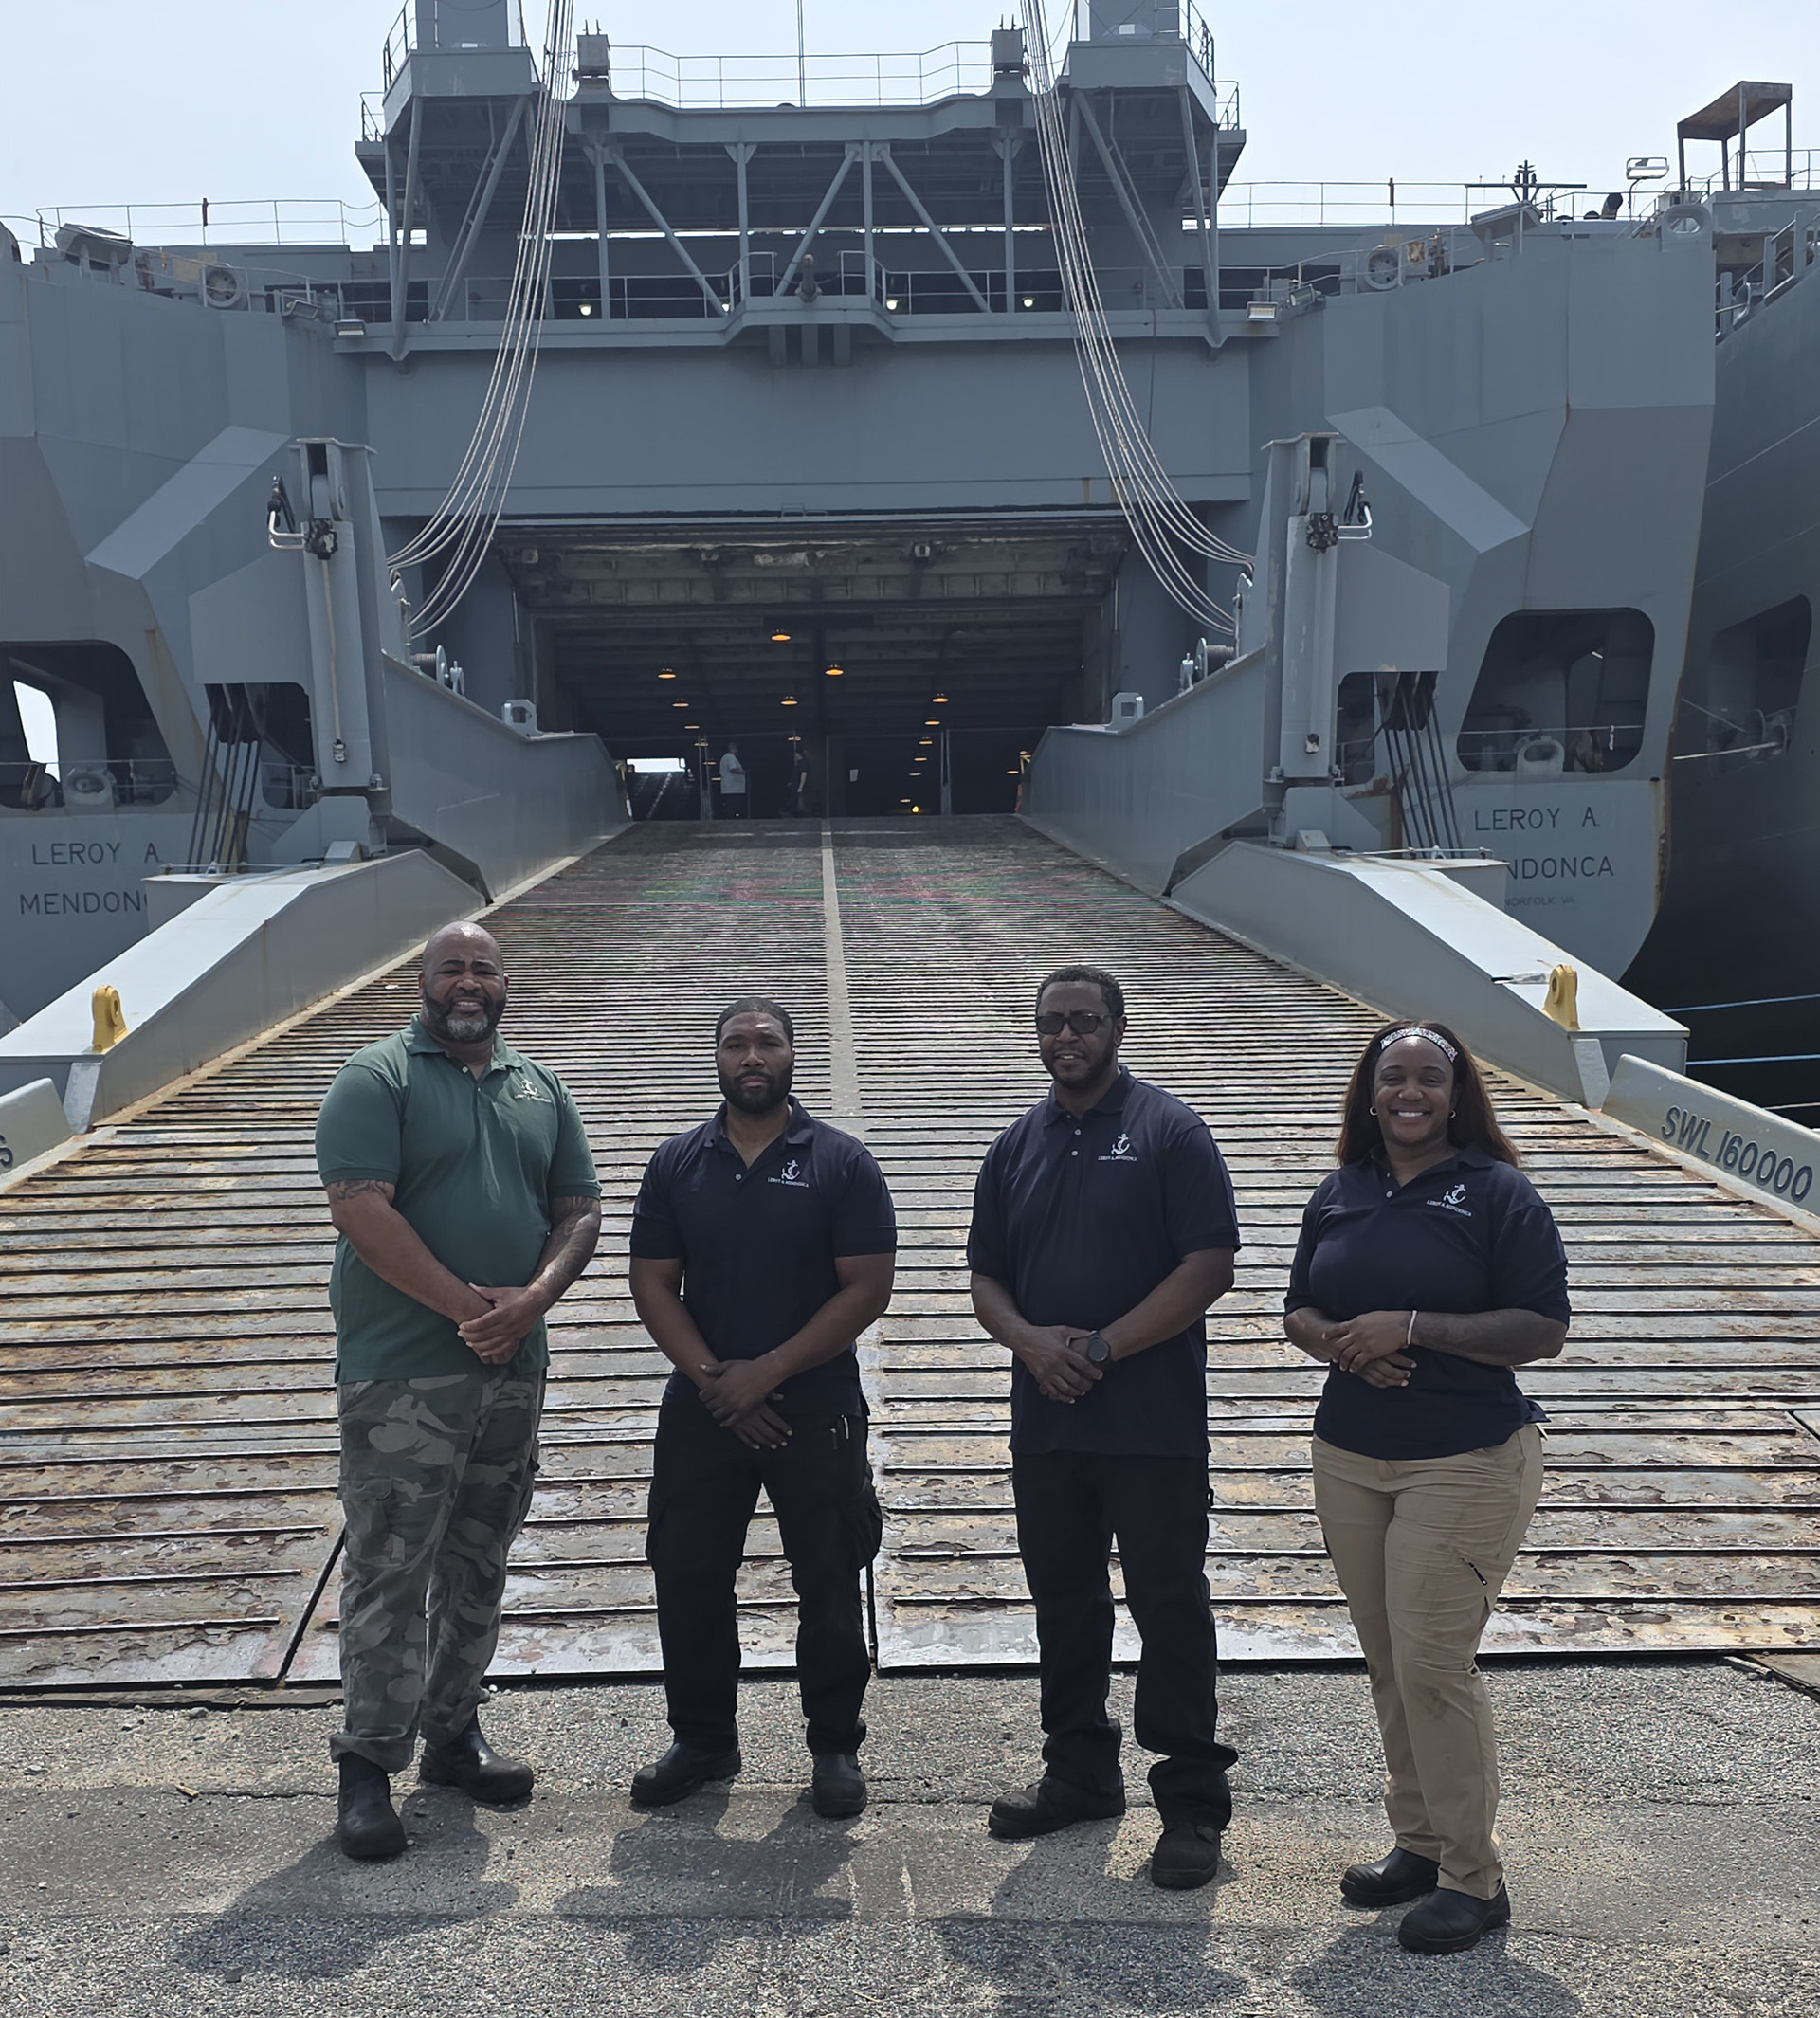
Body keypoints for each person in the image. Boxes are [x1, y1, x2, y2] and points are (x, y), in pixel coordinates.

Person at [315, 920, 602, 1861]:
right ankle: (367, 1763)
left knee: (479, 1559)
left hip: (512, 1370)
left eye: (482, 968)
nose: (467, 983)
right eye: (451, 969)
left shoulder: (538, 1085)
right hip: (403, 1369)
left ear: (503, 981)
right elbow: (360, 1206)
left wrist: (533, 1301)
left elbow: (580, 1209)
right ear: (423, 981)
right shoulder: (376, 1079)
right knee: (391, 1564)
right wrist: (470, 1310)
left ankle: (452, 1731)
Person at [1283, 1020, 1570, 1955]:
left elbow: (1541, 1326)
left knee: (1436, 1662)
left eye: (1429, 1079)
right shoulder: (1340, 1188)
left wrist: (1412, 1324)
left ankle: (1473, 1877)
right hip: (1351, 1452)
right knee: (1389, 1659)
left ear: (1456, 1095)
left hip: (1468, 1455)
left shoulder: (1497, 1192)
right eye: (1392, 1077)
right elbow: (1299, 1308)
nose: (1410, 1092)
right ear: (1369, 1094)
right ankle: (1419, 1840)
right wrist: (1341, 1344)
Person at [968, 965, 1241, 1890]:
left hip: (1152, 1423)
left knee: (1169, 1605)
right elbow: (985, 1280)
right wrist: (1032, 1345)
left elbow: (1209, 1263)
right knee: (1065, 1599)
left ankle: (1193, 1802)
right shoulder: (1016, 1144)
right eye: (1052, 1022)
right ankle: (1080, 1769)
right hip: (1048, 1423)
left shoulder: (1169, 1130)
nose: (1067, 1035)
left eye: (1085, 1020)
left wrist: (1106, 1345)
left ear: (1118, 1026)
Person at [628, 994, 896, 1817]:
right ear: (715, 1057)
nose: (752, 1055)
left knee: (827, 1573)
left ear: (791, 1057)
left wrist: (767, 1371)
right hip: (704, 1403)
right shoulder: (677, 1163)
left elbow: (868, 1288)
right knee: (688, 1571)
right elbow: (652, 1282)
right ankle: (704, 1737)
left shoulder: (842, 1162)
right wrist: (718, 1380)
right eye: (736, 1042)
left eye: (768, 1043)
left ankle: (834, 1744)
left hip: (814, 1407)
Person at [718, 742, 747, 818]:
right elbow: (733, 769)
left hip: (730, 788)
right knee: (733, 807)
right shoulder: (730, 757)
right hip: (733, 788)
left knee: (730, 806)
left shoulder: (725, 757)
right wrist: (744, 772)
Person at [784, 740, 810, 818]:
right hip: (795, 785)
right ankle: (793, 813)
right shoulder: (799, 763)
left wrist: (800, 787)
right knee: (794, 800)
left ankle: (794, 814)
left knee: (796, 801)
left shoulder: (803, 763)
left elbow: (803, 774)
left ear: (797, 754)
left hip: (798, 787)